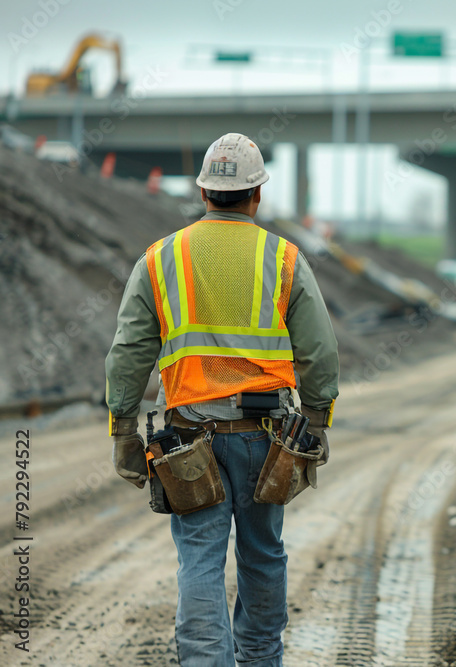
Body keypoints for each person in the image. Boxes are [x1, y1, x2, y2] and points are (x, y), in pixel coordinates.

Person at [106, 132, 339, 666]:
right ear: (257, 194)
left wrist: (122, 430)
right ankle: (260, 659)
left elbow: (128, 353)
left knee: (199, 562)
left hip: (188, 440)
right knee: (262, 555)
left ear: (203, 192)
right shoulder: (283, 258)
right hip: (266, 440)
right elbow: (320, 351)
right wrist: (318, 419)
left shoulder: (161, 258)